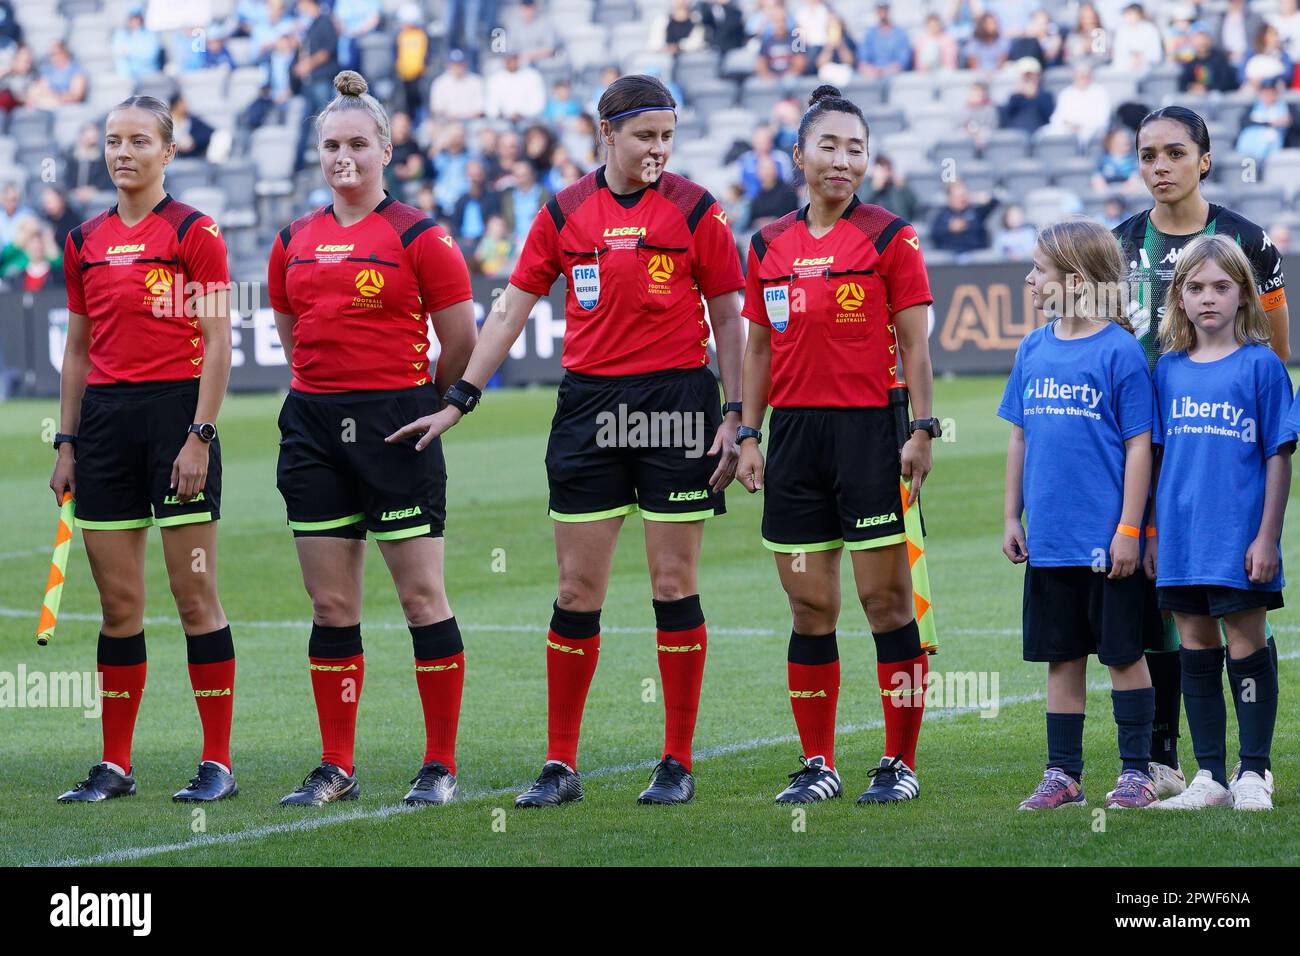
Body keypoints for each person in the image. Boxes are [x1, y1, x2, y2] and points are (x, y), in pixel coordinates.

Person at [388, 73, 745, 808]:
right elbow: (511, 311)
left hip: (677, 403)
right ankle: (559, 764)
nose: (658, 150)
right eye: (646, 135)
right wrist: (460, 397)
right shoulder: (562, 213)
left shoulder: (697, 210)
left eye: (668, 137)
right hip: (588, 408)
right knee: (576, 590)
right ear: (606, 133)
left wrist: (736, 416)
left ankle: (675, 759)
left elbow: (730, 319)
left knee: (673, 584)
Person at [267, 71, 477, 807]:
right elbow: (295, 335)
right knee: (331, 607)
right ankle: (336, 765)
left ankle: (440, 764)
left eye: (358, 142)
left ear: (387, 149)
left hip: (398, 426)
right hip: (315, 427)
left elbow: (459, 344)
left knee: (422, 598)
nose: (342, 156)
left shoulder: (421, 236)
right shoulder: (292, 238)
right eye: (330, 145)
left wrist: (422, 400)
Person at [736, 84, 937, 805]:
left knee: (886, 603)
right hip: (793, 439)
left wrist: (921, 427)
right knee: (809, 609)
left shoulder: (890, 236)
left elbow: (915, 345)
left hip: (870, 433)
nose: (844, 159)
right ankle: (818, 762)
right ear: (799, 155)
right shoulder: (765, 243)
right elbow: (757, 351)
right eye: (830, 145)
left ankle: (897, 761)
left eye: (856, 148)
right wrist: (749, 433)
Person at [52, 95, 236, 804]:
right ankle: (116, 765)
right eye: (112, 141)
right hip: (103, 427)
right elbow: (76, 352)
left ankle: (217, 762)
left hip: (175, 419)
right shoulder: (82, 241)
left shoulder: (195, 231)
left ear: (168, 151)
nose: (122, 152)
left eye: (137, 141)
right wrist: (66, 443)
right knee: (119, 605)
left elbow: (218, 343)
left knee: (195, 599)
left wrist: (199, 435)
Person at [1113, 105, 1289, 798]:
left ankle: (1251, 765)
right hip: (1148, 447)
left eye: (1175, 153)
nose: (1160, 166)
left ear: (1205, 159)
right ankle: (1166, 758)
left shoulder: (1249, 240)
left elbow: (1275, 344)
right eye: (1148, 154)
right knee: (1165, 611)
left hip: (1226, 454)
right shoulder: (1119, 244)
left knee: (1235, 618)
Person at [1000, 219, 1159, 810]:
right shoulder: (1033, 347)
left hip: (1106, 544)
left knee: (1122, 654)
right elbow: (1020, 438)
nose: (1029, 278)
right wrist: (1012, 516)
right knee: (1060, 657)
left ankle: (1137, 771)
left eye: (1038, 268)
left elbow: (1139, 444)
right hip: (1050, 542)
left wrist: (1128, 529)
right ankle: (1063, 774)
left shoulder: (1119, 351)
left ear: (1076, 276)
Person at [1147, 235, 1292, 811]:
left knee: (1246, 645)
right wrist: (1153, 533)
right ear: (1179, 298)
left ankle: (1253, 770)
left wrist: (1266, 536)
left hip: (1238, 539)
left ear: (1243, 296)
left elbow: (1277, 455)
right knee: (1195, 647)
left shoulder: (1262, 366)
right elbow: (1155, 459)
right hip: (1181, 540)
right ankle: (1208, 775)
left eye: (1221, 287)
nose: (1209, 298)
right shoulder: (1168, 371)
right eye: (1196, 287)